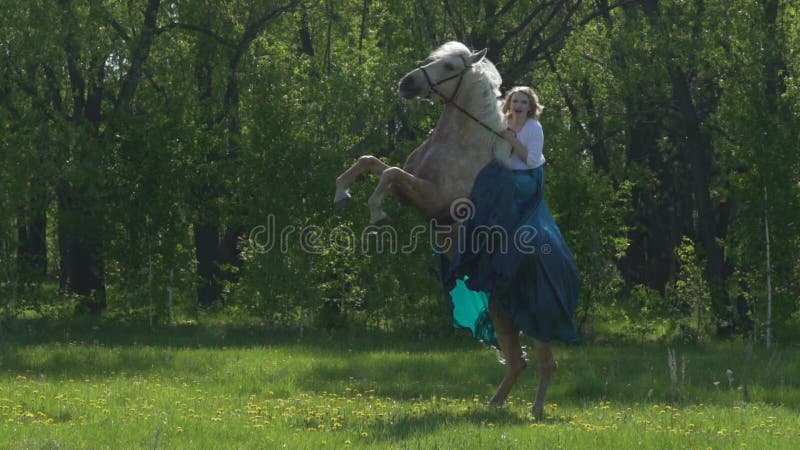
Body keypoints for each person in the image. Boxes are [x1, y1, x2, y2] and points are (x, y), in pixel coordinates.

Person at [442, 86, 580, 418]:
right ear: (508, 104)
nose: (517, 107)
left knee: (502, 189)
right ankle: (472, 250)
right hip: (504, 179)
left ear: (530, 108)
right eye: (514, 102)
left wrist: (511, 136)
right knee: (485, 186)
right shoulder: (501, 120)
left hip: (525, 183)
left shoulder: (533, 128)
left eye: (523, 103)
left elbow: (529, 160)